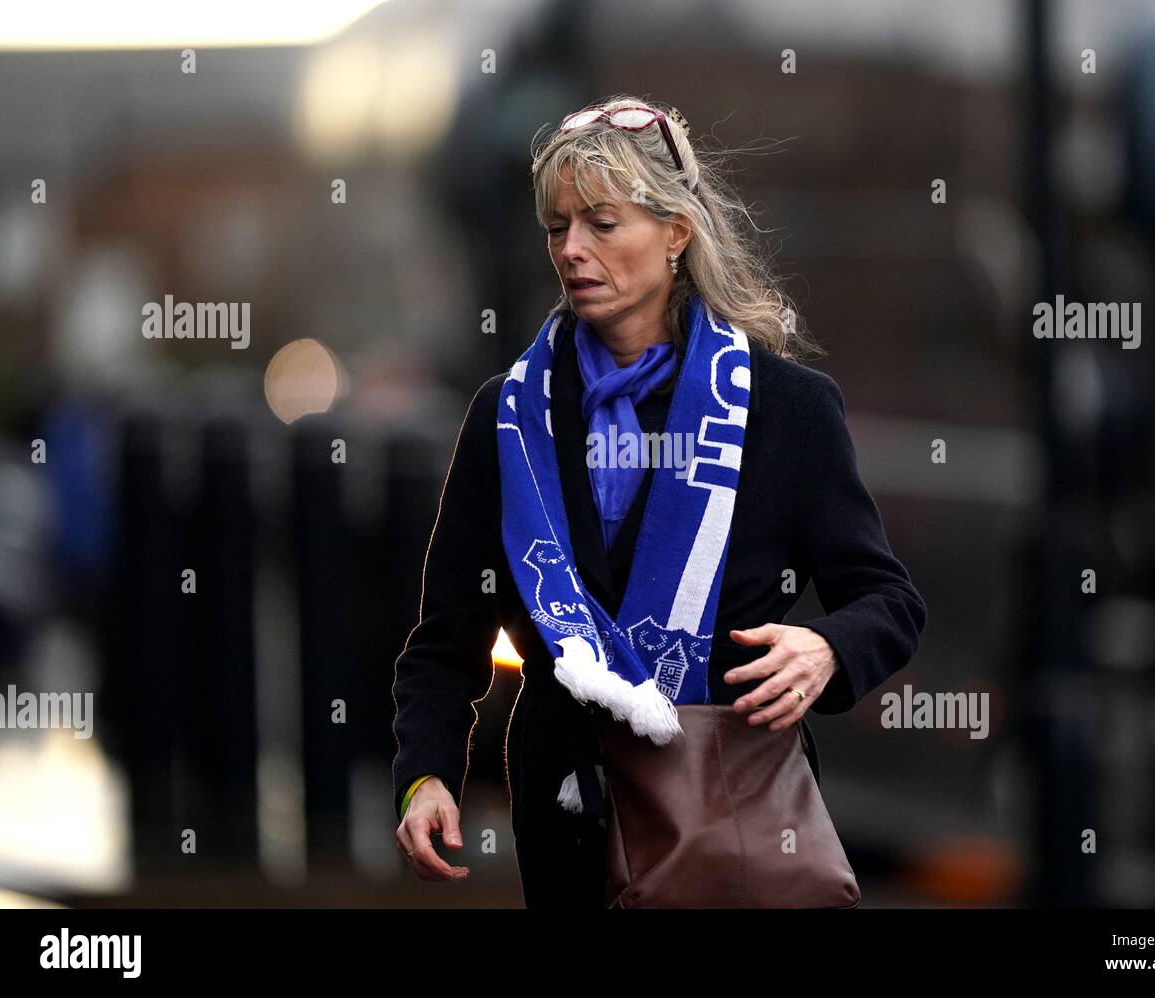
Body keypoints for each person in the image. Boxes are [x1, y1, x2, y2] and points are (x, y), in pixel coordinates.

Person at [392, 95, 927, 909]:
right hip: (569, 830)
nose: (571, 249)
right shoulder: (508, 417)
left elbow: (889, 602)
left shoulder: (786, 408)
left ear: (675, 233)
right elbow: (447, 638)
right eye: (557, 227)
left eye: (602, 224)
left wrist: (825, 650)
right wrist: (426, 775)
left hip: (735, 823)